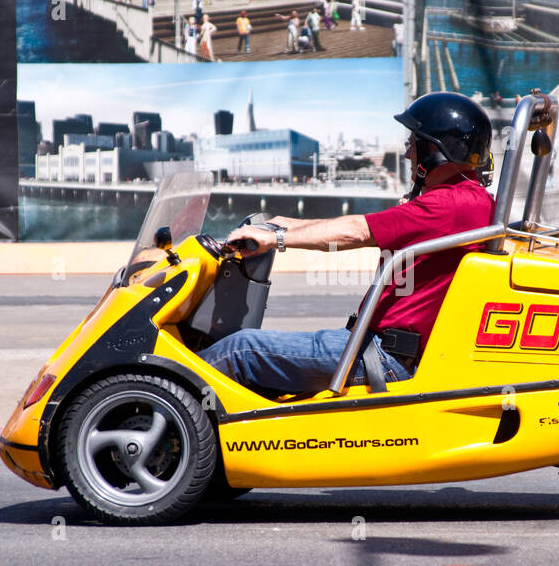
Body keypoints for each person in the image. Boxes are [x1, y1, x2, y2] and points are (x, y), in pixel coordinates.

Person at [197, 92, 496, 396]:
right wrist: (285, 223)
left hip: (384, 355)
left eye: (412, 145)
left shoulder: (449, 205)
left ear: (435, 149)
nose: (408, 155)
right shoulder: (466, 200)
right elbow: (363, 224)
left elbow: (356, 231)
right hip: (380, 344)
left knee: (239, 349)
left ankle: (168, 408)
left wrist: (277, 238)